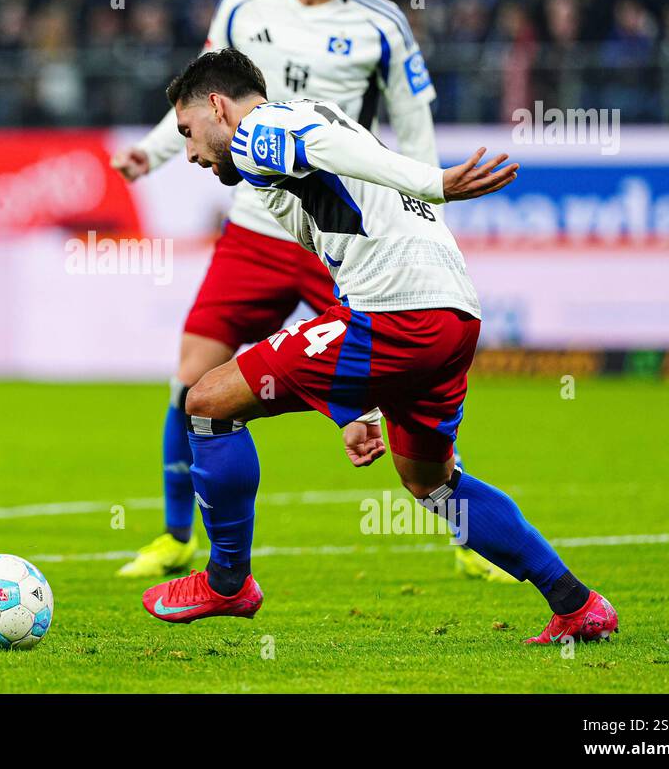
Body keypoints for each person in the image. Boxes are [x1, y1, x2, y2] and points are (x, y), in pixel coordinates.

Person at [108, 0, 516, 581]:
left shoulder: (382, 22)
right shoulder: (243, 6)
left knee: (395, 374)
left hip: (343, 234)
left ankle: (465, 533)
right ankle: (177, 535)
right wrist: (155, 150)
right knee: (193, 375)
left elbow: (410, 129)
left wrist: (425, 205)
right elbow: (201, 96)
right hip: (255, 226)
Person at [142, 48, 618, 645]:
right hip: (451, 316)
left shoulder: (260, 129)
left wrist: (433, 181)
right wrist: (356, 406)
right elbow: (343, 243)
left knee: (207, 401)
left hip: (399, 313)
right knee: (432, 482)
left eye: (187, 132)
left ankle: (228, 579)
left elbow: (328, 150)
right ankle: (577, 604)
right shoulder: (302, 140)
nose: (188, 153)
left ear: (217, 106)